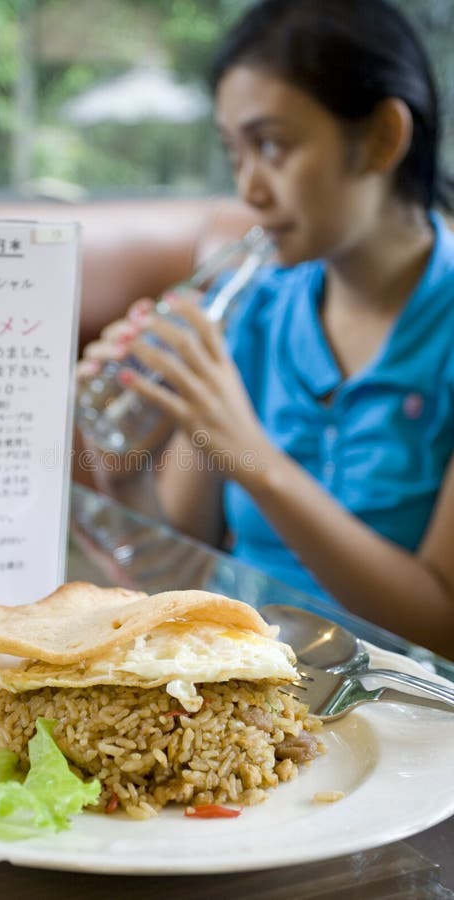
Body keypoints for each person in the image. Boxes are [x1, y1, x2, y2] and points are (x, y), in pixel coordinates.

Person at [76, 0, 454, 658]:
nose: (247, 187)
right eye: (234, 152)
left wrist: (252, 457)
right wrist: (125, 471)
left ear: (385, 137)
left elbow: (441, 628)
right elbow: (181, 579)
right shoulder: (254, 309)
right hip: (246, 680)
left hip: (409, 711)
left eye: (272, 145)